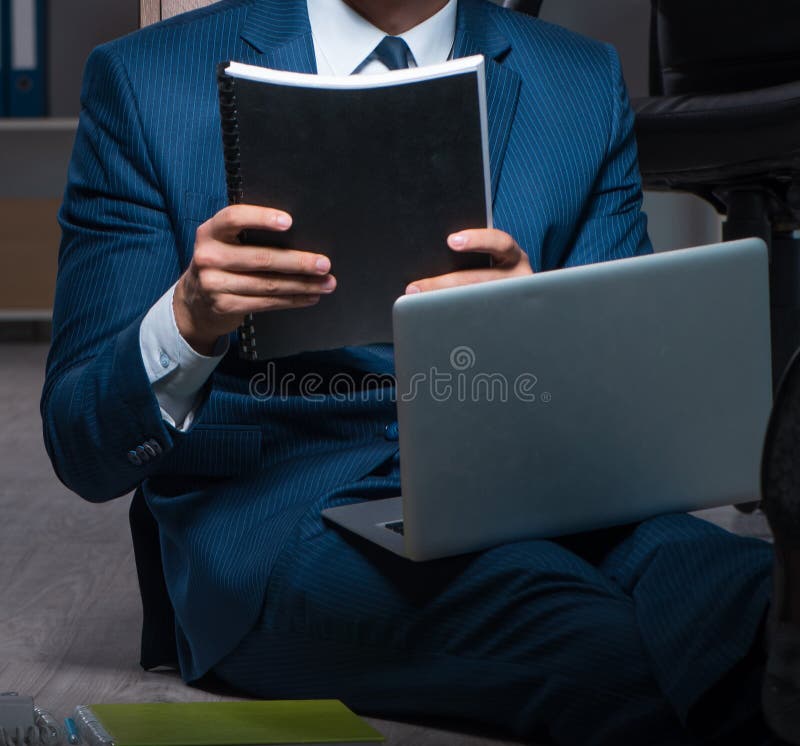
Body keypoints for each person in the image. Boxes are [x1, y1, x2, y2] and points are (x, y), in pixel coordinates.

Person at [40, 0, 799, 743]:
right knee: (589, 638)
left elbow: (632, 418)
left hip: (539, 490)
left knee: (759, 603)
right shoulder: (146, 81)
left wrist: (535, 323)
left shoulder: (577, 80)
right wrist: (188, 315)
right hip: (282, 517)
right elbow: (82, 441)